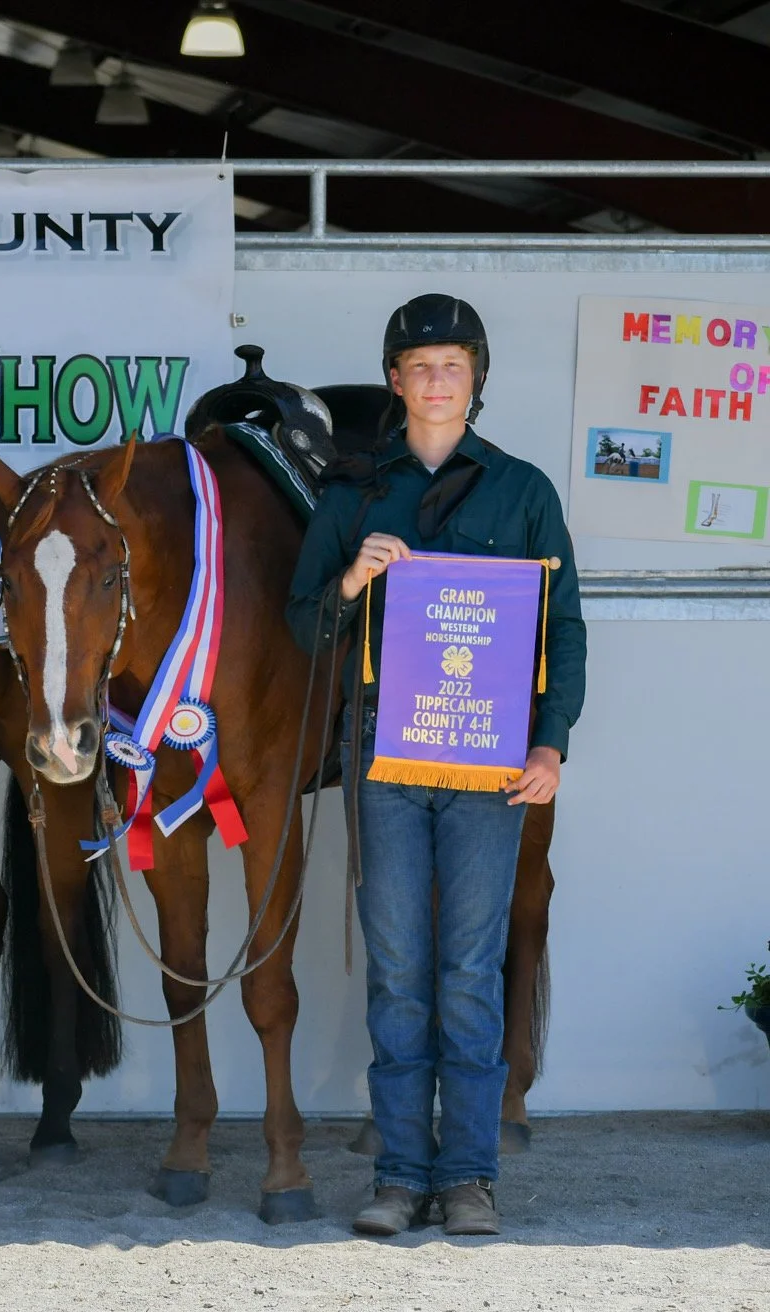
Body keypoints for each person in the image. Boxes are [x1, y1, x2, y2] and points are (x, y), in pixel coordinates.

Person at [287, 294, 585, 1238]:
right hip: (384, 754)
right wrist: (350, 579)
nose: (437, 380)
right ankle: (399, 1174)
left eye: (453, 364)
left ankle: (468, 1178)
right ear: (394, 382)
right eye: (420, 366)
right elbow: (304, 625)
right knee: (400, 966)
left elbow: (562, 628)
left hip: (492, 766)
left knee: (467, 964)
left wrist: (551, 740)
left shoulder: (524, 489)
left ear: (476, 378)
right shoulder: (352, 495)